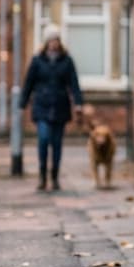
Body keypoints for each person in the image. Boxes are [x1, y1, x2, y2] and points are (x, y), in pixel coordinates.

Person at [19, 23, 83, 191]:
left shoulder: (67, 61)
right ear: (46, 42)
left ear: (59, 42)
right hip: (42, 105)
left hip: (60, 106)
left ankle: (54, 176)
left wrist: (78, 103)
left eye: (56, 40)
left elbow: (74, 84)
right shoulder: (37, 60)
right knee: (43, 139)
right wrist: (22, 104)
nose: (54, 43)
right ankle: (42, 176)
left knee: (56, 143)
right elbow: (29, 83)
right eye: (51, 40)